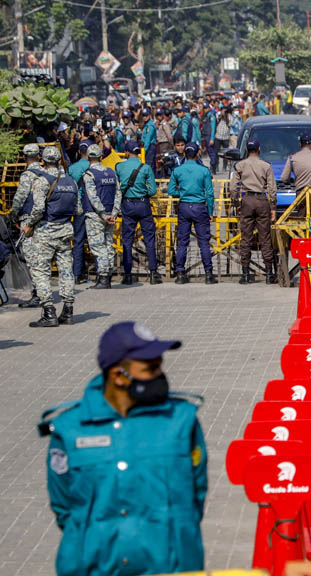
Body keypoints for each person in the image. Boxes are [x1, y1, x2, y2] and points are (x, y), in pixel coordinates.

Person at [40, 321, 208, 576]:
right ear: (118, 375)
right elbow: (64, 505)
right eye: (150, 369)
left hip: (170, 567)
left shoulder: (181, 421)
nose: (160, 375)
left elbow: (196, 495)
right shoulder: (70, 428)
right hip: (93, 568)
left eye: (160, 365)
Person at [22, 146, 81, 327]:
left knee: (41, 271)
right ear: (59, 161)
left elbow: (38, 209)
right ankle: (68, 311)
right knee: (66, 270)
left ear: (43, 161)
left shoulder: (42, 180)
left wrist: (29, 224)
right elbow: (78, 209)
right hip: (65, 230)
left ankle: (49, 312)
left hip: (46, 231)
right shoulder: (71, 182)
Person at [168, 142, 216, 285]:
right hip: (200, 206)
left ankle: (180, 273)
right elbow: (210, 194)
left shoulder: (178, 171)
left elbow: (171, 191)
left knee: (182, 241)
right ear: (197, 154)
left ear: (185, 154)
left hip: (184, 206)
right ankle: (208, 274)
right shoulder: (204, 171)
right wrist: (210, 211)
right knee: (203, 242)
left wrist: (182, 193)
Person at [231, 140, 278, 285]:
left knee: (246, 238)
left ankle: (245, 274)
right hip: (261, 200)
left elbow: (233, 188)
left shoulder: (239, 165)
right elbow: (272, 189)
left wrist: (236, 203)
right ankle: (269, 273)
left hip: (247, 200)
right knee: (265, 238)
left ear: (246, 148)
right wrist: (273, 207)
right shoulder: (266, 165)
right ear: (259, 148)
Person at [116, 141, 162, 286]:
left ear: (127, 152)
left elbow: (117, 188)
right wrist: (144, 191)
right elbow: (153, 191)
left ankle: (128, 274)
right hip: (143, 204)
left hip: (127, 204)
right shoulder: (146, 167)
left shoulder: (119, 166)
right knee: (149, 238)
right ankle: (153, 273)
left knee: (127, 240)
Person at [10, 144, 46, 308]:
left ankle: (38, 294)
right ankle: (43, 292)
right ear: (39, 156)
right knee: (42, 257)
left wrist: (13, 215)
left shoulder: (28, 175)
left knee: (31, 259)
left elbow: (19, 198)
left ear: (25, 157)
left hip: (28, 221)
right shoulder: (47, 173)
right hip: (45, 221)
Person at [80, 144, 120, 290]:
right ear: (101, 157)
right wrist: (113, 213)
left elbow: (92, 197)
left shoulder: (89, 175)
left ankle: (103, 278)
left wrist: (102, 214)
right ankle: (107, 276)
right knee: (108, 244)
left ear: (88, 158)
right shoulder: (111, 173)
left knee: (98, 246)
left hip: (95, 215)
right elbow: (118, 193)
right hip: (110, 214)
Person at [68, 142, 93, 284]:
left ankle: (76, 274)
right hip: (93, 207)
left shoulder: (72, 168)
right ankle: (102, 275)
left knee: (78, 240)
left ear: (78, 151)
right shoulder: (94, 167)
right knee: (97, 241)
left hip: (77, 208)